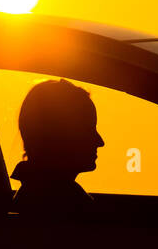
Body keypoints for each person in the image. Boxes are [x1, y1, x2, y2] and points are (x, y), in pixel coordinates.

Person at [10, 78, 103, 216]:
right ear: (59, 135)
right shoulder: (67, 204)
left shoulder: (33, 193)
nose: (100, 141)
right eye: (88, 129)